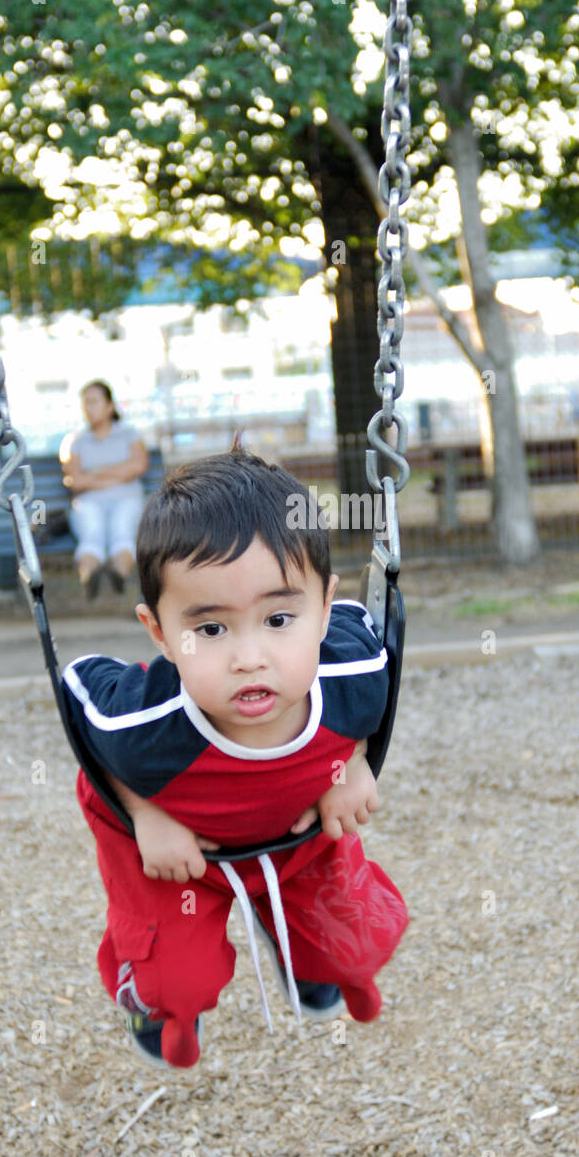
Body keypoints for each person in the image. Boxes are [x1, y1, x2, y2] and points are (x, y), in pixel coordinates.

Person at [61, 442, 409, 1069]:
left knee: (357, 945)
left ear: (323, 609)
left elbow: (364, 624)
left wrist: (348, 760)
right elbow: (80, 688)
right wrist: (145, 812)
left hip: (291, 834)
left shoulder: (355, 672)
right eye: (212, 630)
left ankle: (303, 948)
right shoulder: (147, 722)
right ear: (161, 633)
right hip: (180, 854)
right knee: (178, 983)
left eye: (280, 618)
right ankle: (148, 996)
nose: (251, 656)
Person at [60, 380, 148, 597]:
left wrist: (96, 472)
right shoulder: (76, 440)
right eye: (85, 403)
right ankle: (90, 578)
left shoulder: (129, 434)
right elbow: (76, 480)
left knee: (122, 531)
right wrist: (119, 475)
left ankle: (117, 576)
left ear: (110, 406)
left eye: (93, 402)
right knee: (92, 534)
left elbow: (138, 466)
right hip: (89, 502)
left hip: (126, 499)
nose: (88, 408)